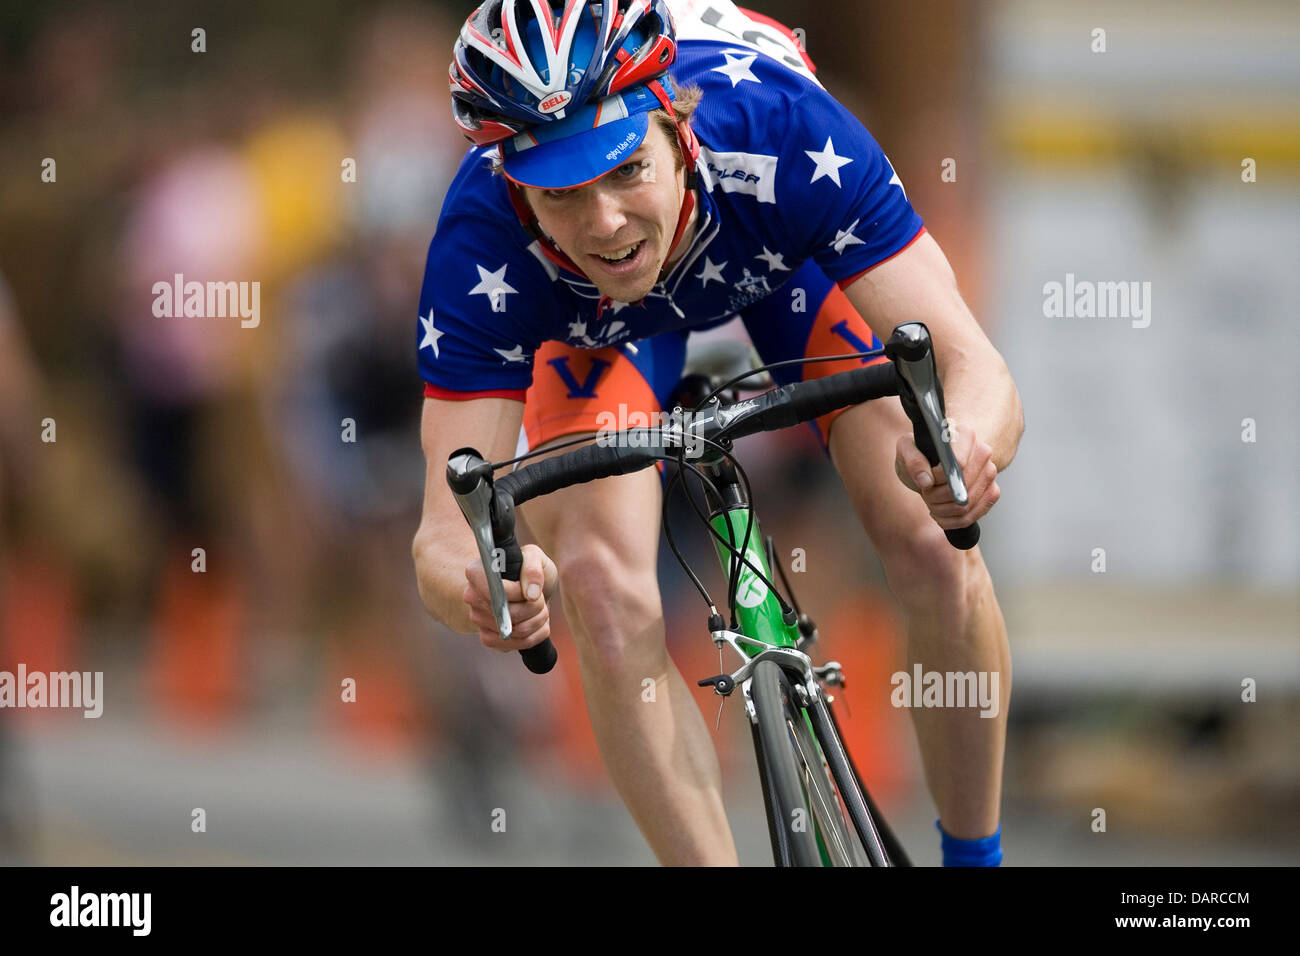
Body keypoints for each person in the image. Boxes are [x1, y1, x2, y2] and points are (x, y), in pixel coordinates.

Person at [412, 0, 1023, 866]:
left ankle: (975, 857)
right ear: (513, 184)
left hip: (774, 254)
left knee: (930, 533)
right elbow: (441, 534)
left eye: (626, 170)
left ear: (678, 123)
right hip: (601, 329)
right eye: (560, 194)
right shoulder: (483, 244)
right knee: (599, 587)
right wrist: (481, 585)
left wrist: (964, 443)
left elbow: (978, 368)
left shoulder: (782, 130)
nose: (606, 224)